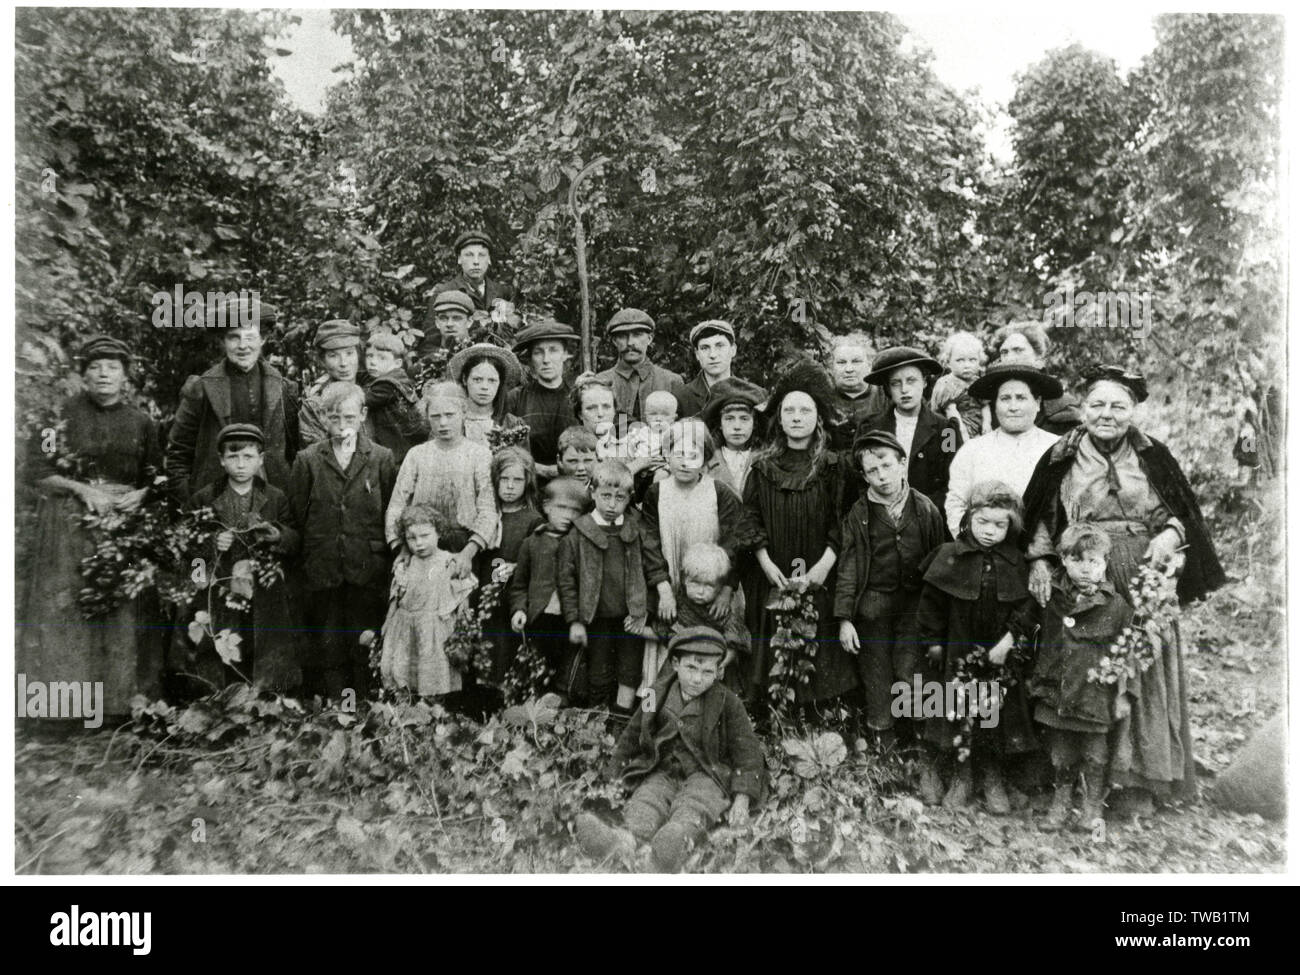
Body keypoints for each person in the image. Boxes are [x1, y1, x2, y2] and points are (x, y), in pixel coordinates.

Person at [1021, 365, 1226, 813]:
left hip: (1141, 573)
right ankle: (1071, 780)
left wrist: (1170, 535)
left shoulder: (1154, 456)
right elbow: (1040, 514)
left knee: (1141, 668)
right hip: (1081, 571)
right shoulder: (1060, 455)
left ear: (1133, 410)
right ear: (1083, 408)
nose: (1107, 414)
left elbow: (1182, 513)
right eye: (1097, 404)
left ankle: (1135, 782)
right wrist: (1038, 560)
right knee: (1080, 667)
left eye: (1118, 405)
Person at [19, 334, 165, 720]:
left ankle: (118, 706)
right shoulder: (59, 419)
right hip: (68, 527)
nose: (103, 375)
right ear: (83, 375)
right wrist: (81, 488)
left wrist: (145, 494)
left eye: (112, 368)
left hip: (122, 526)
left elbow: (159, 476)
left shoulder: (143, 422)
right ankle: (59, 709)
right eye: (95, 367)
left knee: (121, 610)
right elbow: (35, 473)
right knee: (68, 607)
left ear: (125, 377)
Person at [574, 627, 765, 872]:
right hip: (661, 769)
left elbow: (748, 752)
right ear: (675, 663)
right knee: (647, 799)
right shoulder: (656, 693)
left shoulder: (729, 703)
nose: (698, 679)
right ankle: (623, 842)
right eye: (692, 669)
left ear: (719, 671)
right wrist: (611, 780)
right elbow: (632, 736)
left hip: (707, 774)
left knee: (695, 805)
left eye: (708, 672)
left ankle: (673, 843)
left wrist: (742, 798)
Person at [743, 359, 858, 708]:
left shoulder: (835, 467)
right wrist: (763, 560)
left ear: (818, 417)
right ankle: (778, 712)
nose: (796, 416)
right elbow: (750, 518)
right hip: (775, 569)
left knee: (816, 639)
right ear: (778, 417)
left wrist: (826, 563)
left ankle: (819, 713)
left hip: (818, 566)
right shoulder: (762, 467)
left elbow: (845, 520)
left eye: (804, 410)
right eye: (788, 410)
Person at [918, 480, 1034, 812]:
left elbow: (1027, 608)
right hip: (957, 650)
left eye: (1000, 525)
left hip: (998, 655)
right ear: (968, 518)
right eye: (982, 522)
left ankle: (992, 776)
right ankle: (961, 776)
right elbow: (931, 605)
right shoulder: (949, 555)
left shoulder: (1015, 561)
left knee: (994, 715)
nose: (989, 531)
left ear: (1011, 526)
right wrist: (934, 644)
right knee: (956, 712)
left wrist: (1009, 640)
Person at [1012, 524, 1136, 831]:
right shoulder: (1051, 597)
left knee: (1096, 753)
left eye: (1093, 561)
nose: (1085, 569)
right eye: (1077, 560)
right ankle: (1061, 801)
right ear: (1064, 560)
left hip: (1095, 694)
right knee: (1061, 751)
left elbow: (1127, 654)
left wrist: (1122, 694)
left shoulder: (1117, 606)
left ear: (1105, 563)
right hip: (1058, 689)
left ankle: (1093, 804)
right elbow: (1026, 627)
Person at [834, 430, 945, 748]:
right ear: (864, 475)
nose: (881, 476)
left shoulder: (924, 509)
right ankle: (884, 741)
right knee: (877, 672)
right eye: (872, 470)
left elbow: (938, 562)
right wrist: (844, 619)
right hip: (874, 606)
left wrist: (936, 612)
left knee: (913, 667)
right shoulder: (859, 514)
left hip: (915, 607)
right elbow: (848, 566)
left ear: (902, 464)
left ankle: (923, 741)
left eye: (886, 465)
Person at [287, 381, 397, 700]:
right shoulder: (308, 460)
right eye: (334, 418)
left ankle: (363, 702)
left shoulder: (380, 458)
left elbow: (391, 511)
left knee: (364, 637)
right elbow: (297, 516)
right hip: (324, 567)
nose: (342, 425)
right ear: (322, 418)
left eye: (349, 418)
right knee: (329, 641)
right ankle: (338, 705)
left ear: (362, 415)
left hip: (367, 566)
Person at [184, 424, 300, 692]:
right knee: (221, 641)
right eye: (233, 457)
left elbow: (295, 539)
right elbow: (188, 547)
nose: (240, 465)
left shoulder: (274, 497)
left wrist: (277, 536)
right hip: (221, 586)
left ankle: (265, 694)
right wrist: (211, 544)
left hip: (262, 587)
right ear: (221, 460)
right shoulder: (205, 498)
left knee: (261, 643)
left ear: (260, 460)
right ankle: (217, 695)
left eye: (248, 457)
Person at [165, 296, 300, 500]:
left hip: (272, 502)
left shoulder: (283, 388)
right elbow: (178, 455)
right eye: (234, 337)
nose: (243, 346)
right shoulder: (201, 388)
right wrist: (190, 504)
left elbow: (294, 453)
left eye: (250, 337)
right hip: (214, 501)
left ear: (262, 339)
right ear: (223, 341)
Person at [557, 459, 651, 712]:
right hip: (596, 617)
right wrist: (575, 620)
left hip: (630, 618)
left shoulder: (635, 529)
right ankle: (597, 722)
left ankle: (620, 721)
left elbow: (649, 570)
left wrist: (642, 611)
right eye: (605, 496)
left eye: (619, 498)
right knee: (599, 670)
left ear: (630, 497)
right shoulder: (578, 533)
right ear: (592, 492)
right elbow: (566, 581)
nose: (611, 504)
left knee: (630, 670)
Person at [641, 419, 750, 633]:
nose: (685, 463)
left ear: (705, 460)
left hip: (714, 591)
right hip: (668, 586)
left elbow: (735, 543)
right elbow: (649, 543)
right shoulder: (656, 493)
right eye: (679, 454)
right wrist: (663, 590)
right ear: (667, 456)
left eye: (694, 456)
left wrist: (726, 590)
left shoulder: (720, 493)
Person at [386, 383, 497, 580]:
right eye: (435, 416)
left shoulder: (480, 455)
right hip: (421, 546)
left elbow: (488, 510)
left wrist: (468, 553)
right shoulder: (417, 455)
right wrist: (401, 548)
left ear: (463, 412)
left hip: (463, 546)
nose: (443, 423)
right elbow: (397, 504)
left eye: (450, 415)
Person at [944, 362, 1062, 537]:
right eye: (1005, 398)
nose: (1013, 407)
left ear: (1037, 403)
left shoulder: (1057, 447)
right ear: (995, 405)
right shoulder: (973, 450)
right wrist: (972, 544)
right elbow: (956, 504)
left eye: (1021, 398)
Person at [379, 503, 476, 699]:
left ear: (438, 533)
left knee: (433, 673)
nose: (419, 544)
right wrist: (388, 622)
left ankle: (435, 713)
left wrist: (462, 626)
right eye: (412, 538)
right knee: (403, 671)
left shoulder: (449, 561)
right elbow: (396, 597)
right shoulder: (406, 563)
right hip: (405, 626)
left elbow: (462, 595)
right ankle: (406, 710)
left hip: (435, 628)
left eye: (425, 536)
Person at [508, 477, 590, 700]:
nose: (568, 516)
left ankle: (562, 721)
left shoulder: (582, 543)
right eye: (561, 508)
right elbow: (519, 585)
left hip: (571, 620)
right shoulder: (532, 543)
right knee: (538, 673)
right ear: (546, 507)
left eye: (575, 511)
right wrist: (519, 610)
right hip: (540, 619)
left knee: (567, 676)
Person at [858, 345, 960, 514]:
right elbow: (859, 478)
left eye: (911, 380)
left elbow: (953, 482)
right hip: (880, 518)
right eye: (896, 383)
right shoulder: (870, 428)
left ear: (925, 382)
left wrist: (918, 509)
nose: (904, 389)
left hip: (928, 518)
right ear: (888, 389)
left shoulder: (946, 430)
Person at [481, 446, 544, 683]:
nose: (509, 486)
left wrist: (516, 568)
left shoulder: (532, 520)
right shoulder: (487, 514)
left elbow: (539, 562)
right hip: (484, 590)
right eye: (504, 479)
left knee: (505, 647)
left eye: (517, 480)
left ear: (527, 483)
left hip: (512, 595)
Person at [661, 543, 751, 694]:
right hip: (684, 665)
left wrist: (722, 664)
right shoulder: (680, 603)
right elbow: (664, 629)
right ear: (685, 579)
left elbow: (735, 642)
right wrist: (640, 630)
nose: (700, 592)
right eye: (695, 583)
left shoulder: (721, 610)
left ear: (720, 585)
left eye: (708, 586)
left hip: (714, 667)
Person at [505, 317, 579, 478]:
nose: (546, 360)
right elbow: (503, 449)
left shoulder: (578, 397)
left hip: (573, 484)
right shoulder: (515, 399)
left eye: (553, 350)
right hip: (526, 483)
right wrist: (540, 469)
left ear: (565, 354)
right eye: (538, 352)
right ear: (530, 357)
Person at [594, 307, 683, 425]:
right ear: (615, 341)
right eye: (623, 336)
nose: (630, 342)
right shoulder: (600, 382)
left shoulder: (671, 382)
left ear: (650, 339)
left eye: (637, 335)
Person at [990, 321, 1081, 435]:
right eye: (1004, 352)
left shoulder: (1062, 408)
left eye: (1018, 350)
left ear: (1039, 357)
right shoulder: (991, 404)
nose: (1010, 358)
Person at [671, 319, 764, 418]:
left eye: (719, 346)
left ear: (733, 350)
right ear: (697, 354)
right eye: (705, 348)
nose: (713, 355)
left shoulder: (754, 394)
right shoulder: (681, 397)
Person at [363, 330, 429, 468]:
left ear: (398, 363)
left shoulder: (387, 384)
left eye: (382, 358)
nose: (373, 362)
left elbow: (361, 400)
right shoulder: (399, 378)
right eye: (369, 356)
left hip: (398, 444)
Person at [299, 319, 366, 446]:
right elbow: (317, 457)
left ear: (358, 354)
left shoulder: (377, 390)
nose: (344, 363)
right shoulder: (315, 405)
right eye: (333, 356)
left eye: (349, 353)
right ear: (322, 360)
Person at [447, 342, 527, 448]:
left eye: (492, 380)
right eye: (477, 379)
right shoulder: (448, 421)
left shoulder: (512, 424)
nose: (484, 387)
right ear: (465, 379)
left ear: (500, 383)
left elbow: (524, 462)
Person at [700, 377, 765, 494]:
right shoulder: (707, 461)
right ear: (719, 423)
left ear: (754, 423)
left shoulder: (765, 459)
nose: (737, 426)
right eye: (729, 419)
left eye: (744, 419)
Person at [430, 230, 515, 315]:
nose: (476, 261)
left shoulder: (504, 292)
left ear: (489, 259)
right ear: (459, 259)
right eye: (469, 255)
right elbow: (432, 328)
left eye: (481, 255)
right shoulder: (444, 292)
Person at [827, 333, 887, 450]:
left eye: (856, 362)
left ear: (869, 364)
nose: (849, 369)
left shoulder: (885, 396)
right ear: (831, 367)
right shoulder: (823, 399)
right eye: (841, 362)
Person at [929, 330, 989, 442]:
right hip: (951, 430)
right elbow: (951, 412)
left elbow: (985, 405)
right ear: (948, 362)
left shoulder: (978, 382)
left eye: (972, 360)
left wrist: (987, 423)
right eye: (960, 360)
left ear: (979, 361)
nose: (967, 365)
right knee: (950, 451)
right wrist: (963, 433)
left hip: (976, 428)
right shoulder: (947, 383)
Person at [418, 289, 476, 362]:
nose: (449, 324)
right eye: (443, 318)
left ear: (469, 321)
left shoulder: (480, 356)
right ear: (437, 322)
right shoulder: (428, 360)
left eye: (456, 318)